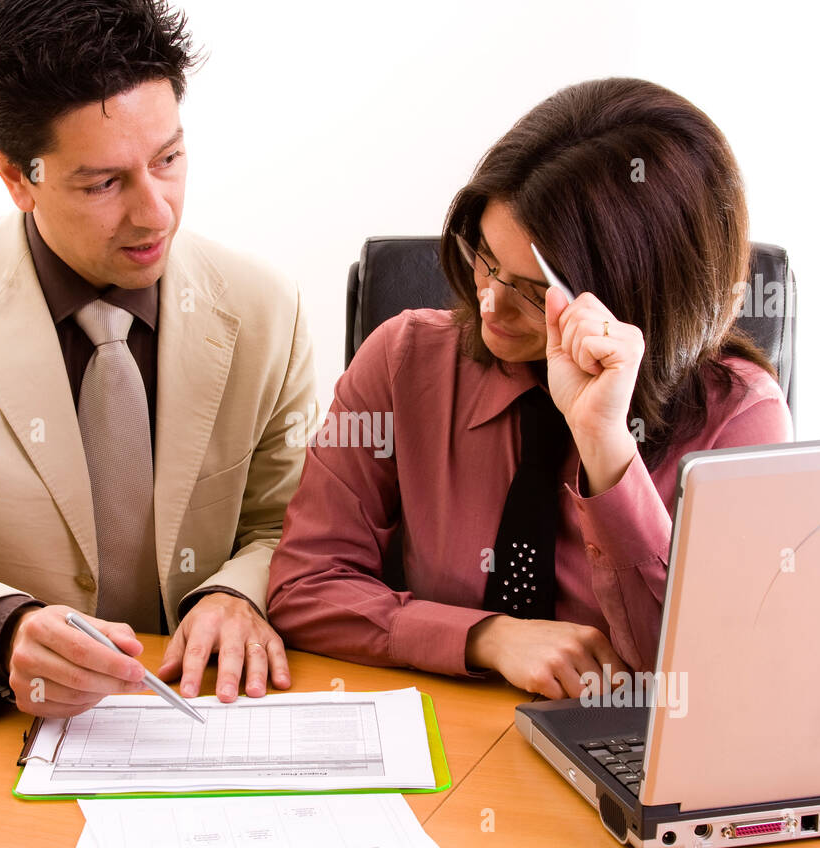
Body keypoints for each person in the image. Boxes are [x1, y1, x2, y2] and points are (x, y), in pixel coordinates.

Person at [0, 0, 314, 717]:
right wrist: (4, 626)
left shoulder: (265, 305)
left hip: (208, 716)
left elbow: (286, 525)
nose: (157, 213)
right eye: (103, 183)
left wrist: (236, 594)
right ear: (15, 176)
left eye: (169, 159)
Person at [267, 77, 792, 700]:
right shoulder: (405, 360)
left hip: (620, 768)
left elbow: (715, 678)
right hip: (452, 742)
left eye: (529, 288)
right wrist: (486, 636)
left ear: (637, 293)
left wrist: (605, 447)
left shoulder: (742, 420)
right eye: (484, 256)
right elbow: (305, 585)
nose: (487, 302)